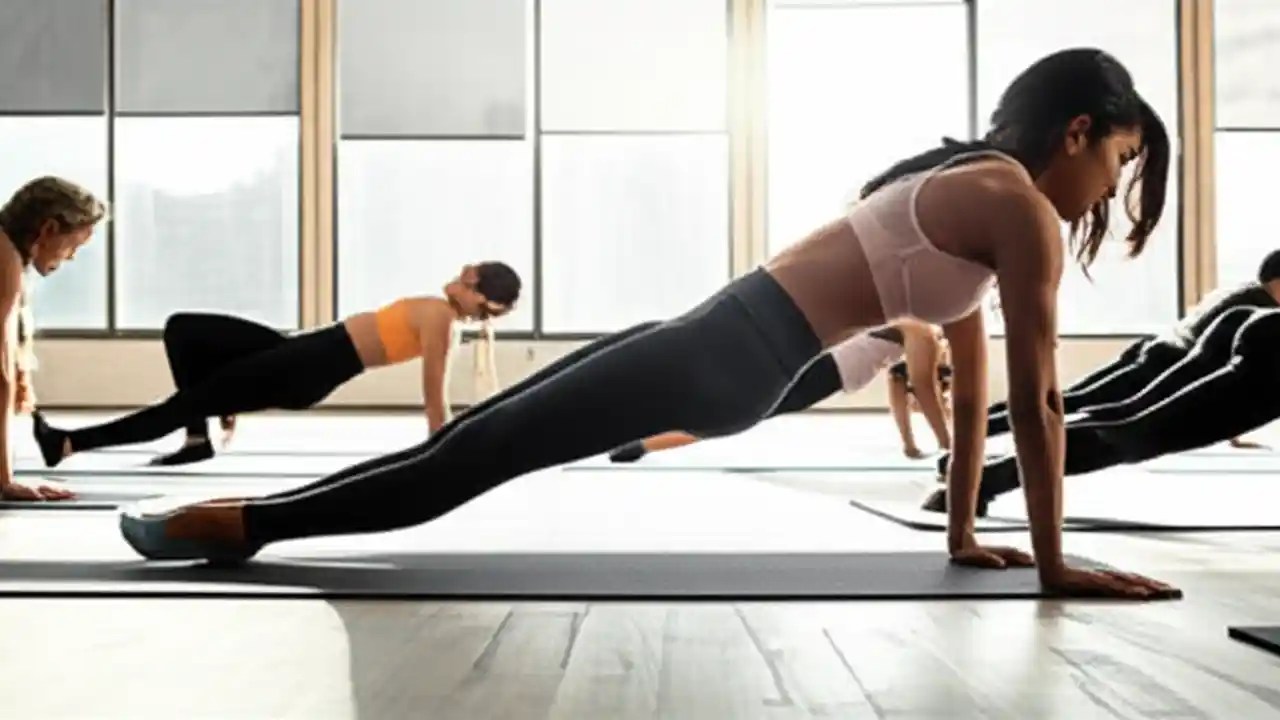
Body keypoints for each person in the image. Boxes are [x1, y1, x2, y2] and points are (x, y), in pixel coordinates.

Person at [118, 48, 1178, 600]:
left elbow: (1000, 393)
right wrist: (1013, 550)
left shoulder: (990, 195)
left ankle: (244, 523)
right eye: (1121, 161)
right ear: (1077, 129)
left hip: (727, 351)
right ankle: (249, 517)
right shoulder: (1009, 202)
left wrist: (1000, 545)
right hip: (717, 343)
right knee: (466, 448)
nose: (1110, 187)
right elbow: (1015, 395)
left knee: (474, 453)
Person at [32, 262, 521, 467]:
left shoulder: (442, 319)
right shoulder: (439, 310)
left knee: (185, 402)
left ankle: (68, 443)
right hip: (302, 351)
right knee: (185, 328)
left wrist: (440, 450)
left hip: (308, 367)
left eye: (469, 277)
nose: (459, 275)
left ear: (479, 294)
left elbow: (433, 390)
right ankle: (198, 437)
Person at [923, 303, 1280, 516]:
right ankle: (981, 479)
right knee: (1136, 431)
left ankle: (976, 469)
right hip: (1267, 338)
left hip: (1251, 321)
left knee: (1129, 415)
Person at [972, 249, 1280, 443]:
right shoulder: (1258, 307)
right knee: (1093, 410)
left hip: (1155, 351)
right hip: (1165, 363)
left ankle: (978, 426)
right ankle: (980, 434)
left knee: (1072, 400)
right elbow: (1217, 365)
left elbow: (1228, 372)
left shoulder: (1243, 292)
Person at [606, 321, 950, 463]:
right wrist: (951, 445)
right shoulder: (922, 332)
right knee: (735, 412)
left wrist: (910, 445)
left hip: (821, 368)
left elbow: (899, 384)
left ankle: (639, 441)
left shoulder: (911, 325)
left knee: (734, 409)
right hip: (821, 372)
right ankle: (638, 442)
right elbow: (924, 388)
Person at [0, 176, 108, 501]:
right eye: (74, 245)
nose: (72, 257)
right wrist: (5, 481)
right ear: (48, 230)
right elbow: (0, 375)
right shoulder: (5, 260)